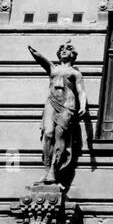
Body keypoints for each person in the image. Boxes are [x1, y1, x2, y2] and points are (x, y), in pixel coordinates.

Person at [28, 42, 88, 186]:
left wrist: (84, 104)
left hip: (68, 104)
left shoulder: (75, 73)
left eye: (67, 49)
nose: (63, 51)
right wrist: (34, 52)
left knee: (59, 135)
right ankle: (47, 168)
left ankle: (54, 171)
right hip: (51, 103)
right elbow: (43, 60)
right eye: (61, 49)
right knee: (48, 134)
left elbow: (81, 91)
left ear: (73, 54)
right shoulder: (53, 68)